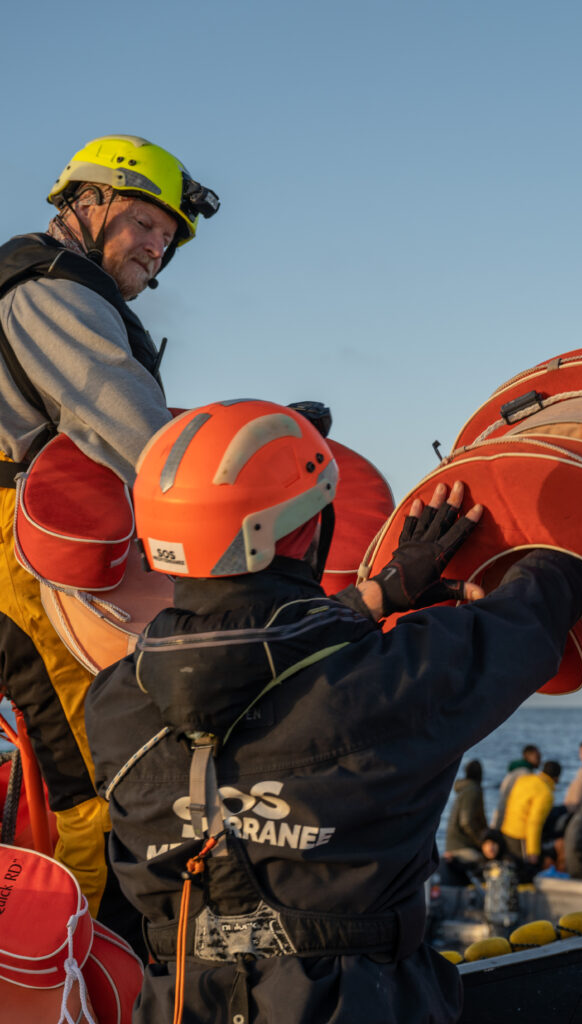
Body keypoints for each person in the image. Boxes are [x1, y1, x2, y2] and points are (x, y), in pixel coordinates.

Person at [83, 399, 582, 1024]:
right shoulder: (387, 679)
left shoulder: (112, 702)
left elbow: (236, 657)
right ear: (306, 529)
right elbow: (529, 620)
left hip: (178, 1003)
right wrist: (581, 543)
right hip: (355, 1004)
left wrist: (375, 596)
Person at [0, 135, 217, 934]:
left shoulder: (60, 289)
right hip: (29, 559)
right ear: (81, 207)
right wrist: (234, 471)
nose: (156, 248)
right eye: (142, 223)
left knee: (74, 756)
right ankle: (86, 956)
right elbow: (123, 423)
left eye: (168, 238)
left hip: (50, 549)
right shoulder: (51, 288)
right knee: (91, 767)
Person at [499, 758, 561, 872]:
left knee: (510, 866)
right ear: (556, 778)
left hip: (507, 829)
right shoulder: (545, 793)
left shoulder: (525, 779)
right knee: (522, 870)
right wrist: (533, 852)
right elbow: (534, 823)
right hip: (520, 836)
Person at [440, 759, 488, 885]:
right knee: (488, 863)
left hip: (452, 845)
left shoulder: (464, 790)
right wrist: (480, 843)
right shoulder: (473, 790)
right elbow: (466, 822)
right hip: (461, 847)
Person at [489, 743, 540, 828]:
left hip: (502, 816)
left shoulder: (514, 772)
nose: (539, 760)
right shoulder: (525, 774)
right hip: (510, 821)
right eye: (537, 757)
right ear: (527, 756)